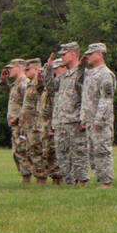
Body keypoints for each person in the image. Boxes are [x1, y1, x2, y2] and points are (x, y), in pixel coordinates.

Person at [79, 42, 117, 188]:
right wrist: (84, 119)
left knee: (102, 151)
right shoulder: (90, 73)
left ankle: (106, 182)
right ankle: (101, 179)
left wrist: (99, 120)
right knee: (92, 153)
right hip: (89, 120)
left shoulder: (105, 74)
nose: (87, 56)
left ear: (100, 54)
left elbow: (106, 99)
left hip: (100, 121)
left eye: (90, 54)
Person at [48, 42, 86, 185]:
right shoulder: (64, 76)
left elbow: (85, 98)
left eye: (64, 54)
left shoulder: (81, 73)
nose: (62, 57)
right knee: (62, 154)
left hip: (75, 120)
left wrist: (84, 120)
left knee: (79, 154)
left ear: (73, 54)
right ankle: (70, 183)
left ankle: (81, 181)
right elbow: (51, 87)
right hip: (63, 121)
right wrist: (48, 69)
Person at [6, 58, 32, 182]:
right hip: (15, 125)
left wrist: (20, 120)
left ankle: (27, 177)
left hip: (22, 124)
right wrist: (3, 81)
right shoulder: (16, 84)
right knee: (17, 151)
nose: (9, 70)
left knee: (23, 150)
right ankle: (24, 176)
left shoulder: (24, 83)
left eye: (12, 67)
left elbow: (27, 104)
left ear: (20, 67)